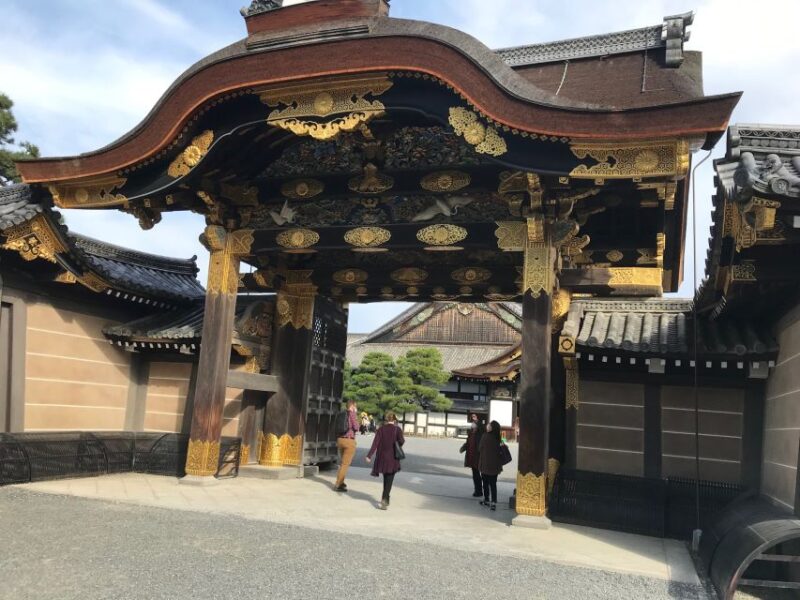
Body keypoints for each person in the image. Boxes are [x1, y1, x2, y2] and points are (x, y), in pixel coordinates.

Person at [365, 411, 405, 510]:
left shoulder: (381, 429)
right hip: (393, 458)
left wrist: (369, 455)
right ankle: (385, 499)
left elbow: (375, 443)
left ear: (386, 419)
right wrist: (397, 443)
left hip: (382, 457)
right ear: (394, 419)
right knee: (389, 480)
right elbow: (402, 441)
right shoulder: (397, 429)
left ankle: (385, 497)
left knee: (385, 479)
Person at [334, 399, 359, 492]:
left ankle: (341, 482)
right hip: (349, 441)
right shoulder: (352, 414)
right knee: (345, 464)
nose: (356, 408)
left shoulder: (342, 413)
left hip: (340, 440)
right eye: (355, 406)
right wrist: (355, 415)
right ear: (352, 406)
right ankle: (338, 484)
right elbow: (356, 427)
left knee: (342, 463)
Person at [478, 420, 504, 511]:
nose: (487, 426)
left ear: (491, 428)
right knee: (493, 484)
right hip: (495, 466)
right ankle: (493, 502)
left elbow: (479, 448)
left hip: (485, 464)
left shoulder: (485, 436)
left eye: (489, 425)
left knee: (485, 483)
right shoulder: (498, 438)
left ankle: (486, 500)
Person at [463, 413, 484, 497]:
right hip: (472, 456)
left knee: (481, 475)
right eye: (472, 422)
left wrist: (476, 420)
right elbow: (468, 443)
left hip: (478, 456)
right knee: (475, 474)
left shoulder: (480, 433)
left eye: (474, 423)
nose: (472, 424)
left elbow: (481, 427)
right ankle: (477, 491)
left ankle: (481, 491)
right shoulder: (471, 433)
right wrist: (463, 448)